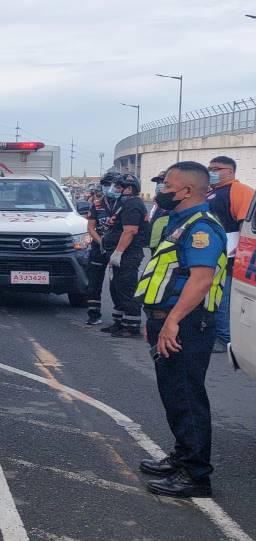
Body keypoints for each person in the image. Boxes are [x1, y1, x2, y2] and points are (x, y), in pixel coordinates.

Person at [135, 161, 228, 498]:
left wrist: (171, 321)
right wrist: (158, 321)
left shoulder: (201, 227)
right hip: (170, 319)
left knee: (186, 397)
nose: (161, 191)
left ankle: (195, 475)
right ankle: (182, 456)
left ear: (187, 191)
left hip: (187, 322)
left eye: (167, 185)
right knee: (175, 395)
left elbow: (201, 280)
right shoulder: (181, 221)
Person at [205, 156, 254, 351]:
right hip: (212, 252)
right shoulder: (212, 192)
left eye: (217, 168)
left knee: (223, 296)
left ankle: (225, 338)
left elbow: (245, 226)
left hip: (230, 255)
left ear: (231, 171)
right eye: (210, 168)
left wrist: (240, 254)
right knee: (213, 294)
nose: (212, 171)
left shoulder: (240, 190)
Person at [100, 173, 148, 338]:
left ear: (129, 189)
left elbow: (130, 231)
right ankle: (119, 323)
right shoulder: (123, 203)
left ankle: (131, 326)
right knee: (116, 289)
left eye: (119, 187)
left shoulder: (133, 204)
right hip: (119, 253)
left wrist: (118, 252)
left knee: (127, 289)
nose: (115, 189)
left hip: (127, 255)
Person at [84, 172, 122, 325]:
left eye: (114, 185)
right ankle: (93, 314)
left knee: (117, 284)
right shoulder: (97, 204)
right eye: (107, 184)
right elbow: (91, 227)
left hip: (117, 249)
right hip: (98, 248)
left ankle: (118, 318)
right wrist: (100, 242)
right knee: (93, 283)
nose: (110, 188)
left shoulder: (125, 204)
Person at [147, 171, 170, 251]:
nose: (159, 185)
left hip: (164, 246)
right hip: (154, 245)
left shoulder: (173, 203)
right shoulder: (157, 202)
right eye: (158, 182)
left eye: (162, 182)